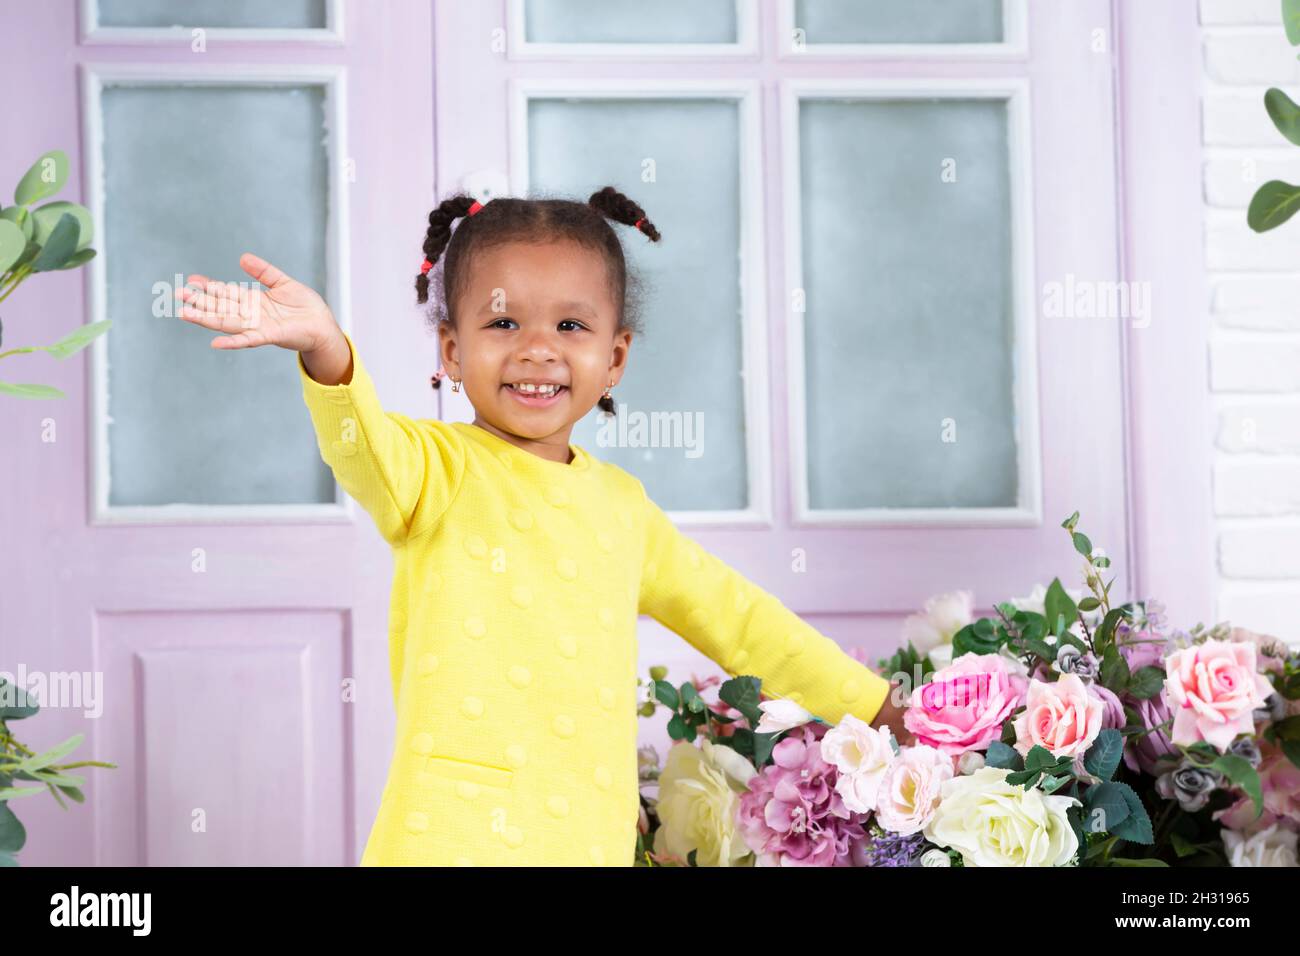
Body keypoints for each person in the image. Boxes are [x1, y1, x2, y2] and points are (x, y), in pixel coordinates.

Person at [175, 187, 909, 866]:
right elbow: (363, 447)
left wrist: (874, 705)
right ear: (453, 351)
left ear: (614, 356)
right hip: (449, 837)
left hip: (588, 841)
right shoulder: (433, 471)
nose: (536, 348)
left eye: (569, 324)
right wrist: (328, 354)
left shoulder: (623, 509)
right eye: (502, 322)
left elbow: (741, 620)